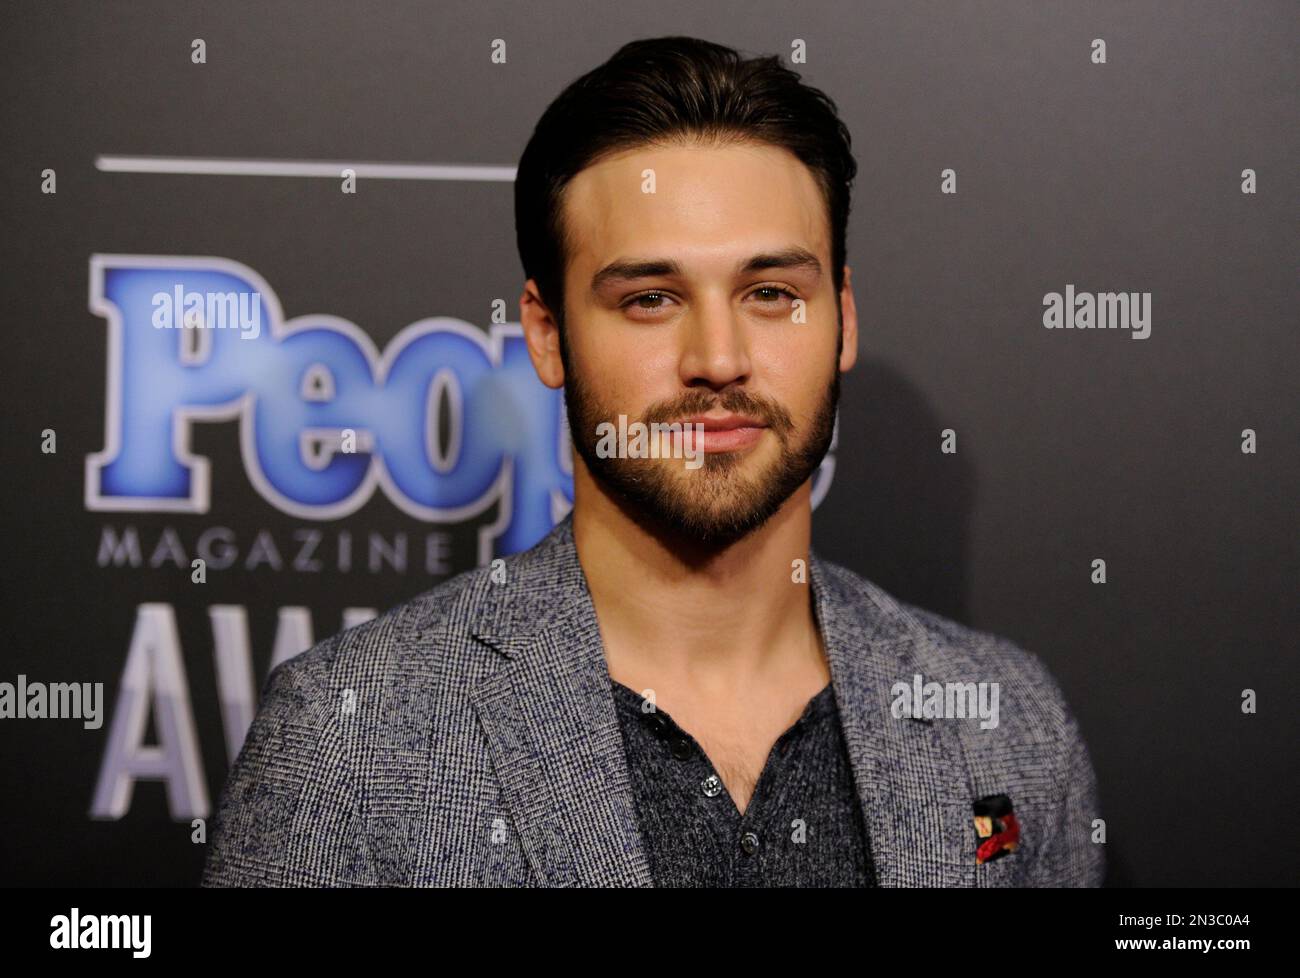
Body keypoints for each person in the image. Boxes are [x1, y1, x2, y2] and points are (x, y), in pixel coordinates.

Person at [203, 35, 1104, 888]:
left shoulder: (1008, 723)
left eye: (770, 293)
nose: (718, 357)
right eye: (649, 299)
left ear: (843, 318)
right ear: (546, 333)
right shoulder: (350, 740)